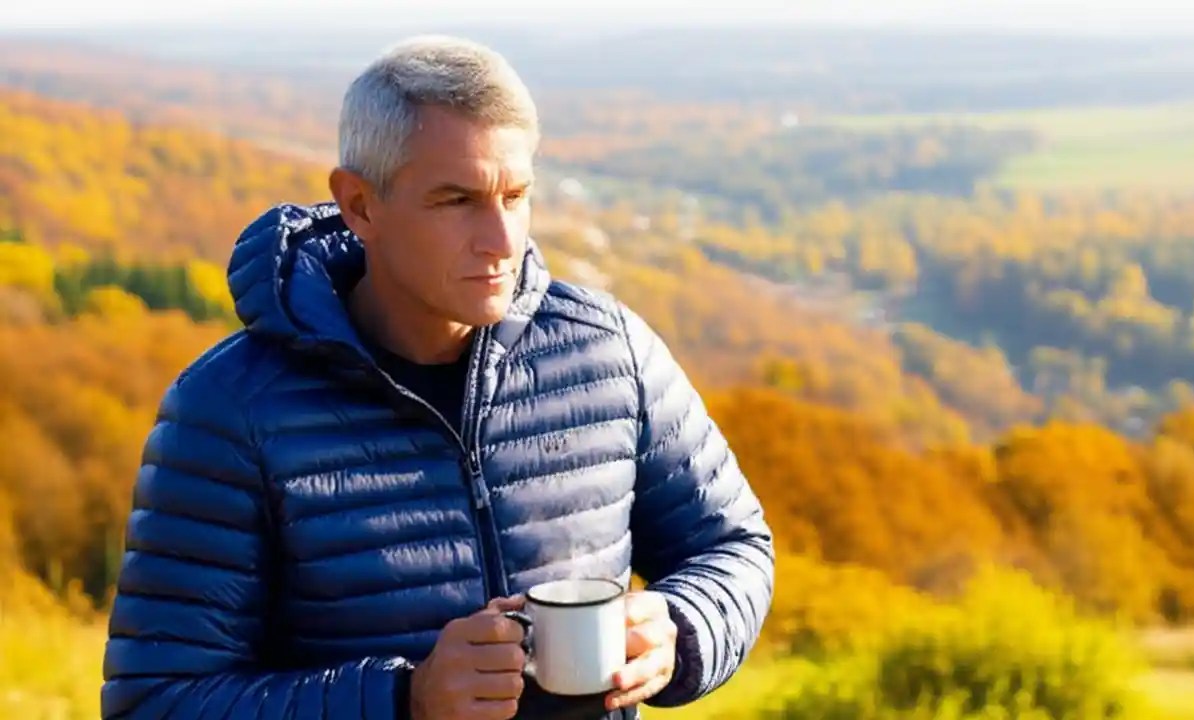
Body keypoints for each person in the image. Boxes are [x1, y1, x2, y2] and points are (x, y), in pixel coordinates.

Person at [100, 34, 775, 720]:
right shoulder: (228, 410)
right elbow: (156, 700)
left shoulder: (609, 351)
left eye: (516, 196)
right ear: (360, 205)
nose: (502, 240)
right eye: (458, 200)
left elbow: (733, 546)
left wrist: (683, 629)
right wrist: (404, 700)